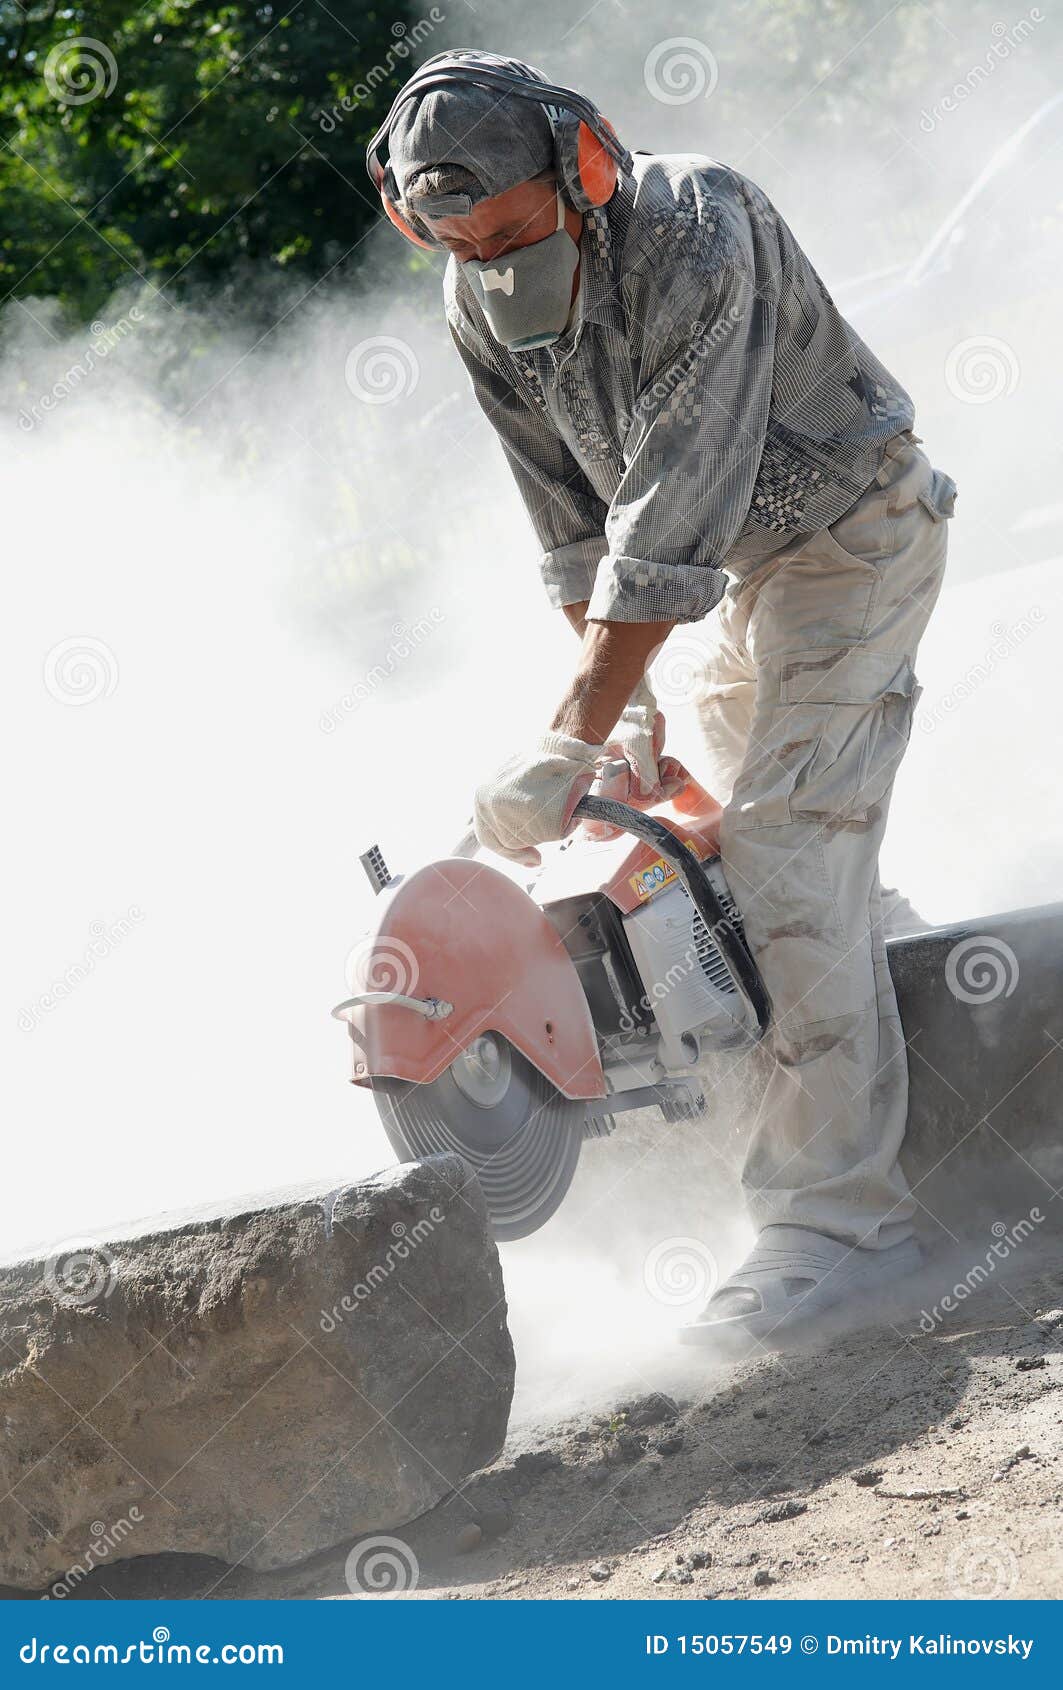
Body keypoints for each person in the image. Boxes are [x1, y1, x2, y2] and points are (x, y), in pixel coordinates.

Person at [365, 50, 956, 1343]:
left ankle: (846, 1225)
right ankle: (962, 1083)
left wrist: (569, 731)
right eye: (463, 246)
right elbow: (575, 531)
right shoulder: (477, 303)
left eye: (517, 235)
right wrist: (616, 724)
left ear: (585, 172)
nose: (498, 270)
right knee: (727, 875)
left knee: (791, 848)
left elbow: (665, 515)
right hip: (734, 585)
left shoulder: (701, 230)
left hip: (852, 536)